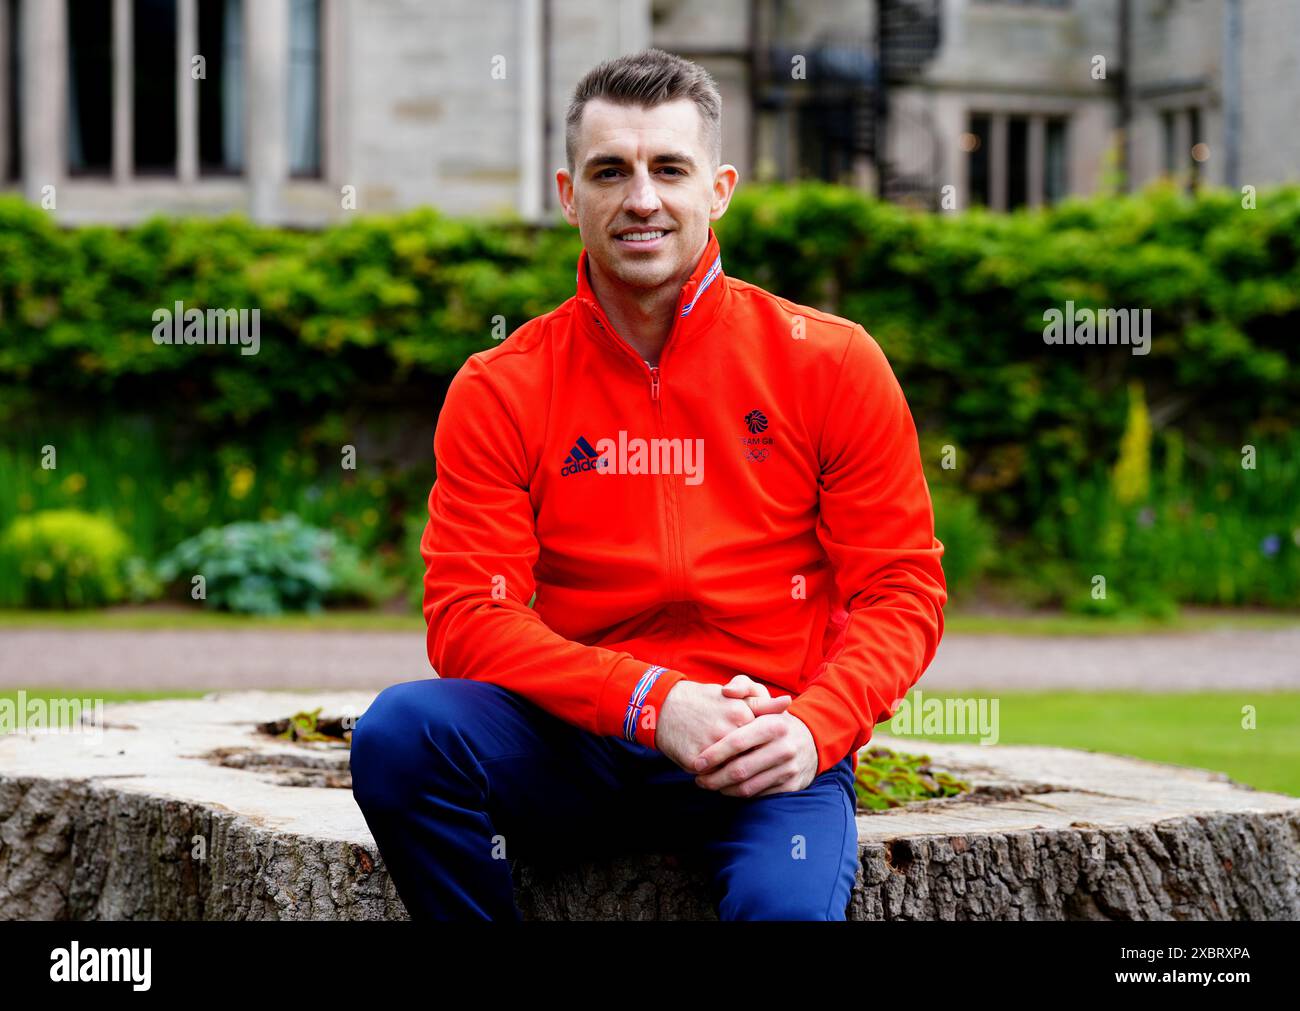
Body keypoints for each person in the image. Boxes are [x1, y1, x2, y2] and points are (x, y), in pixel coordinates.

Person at [350, 47, 947, 921]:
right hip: (572, 745)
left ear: (720, 188)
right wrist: (648, 701)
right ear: (568, 195)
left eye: (670, 168)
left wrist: (814, 728)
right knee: (402, 734)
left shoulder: (832, 362)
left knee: (785, 913)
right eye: (610, 171)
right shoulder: (501, 385)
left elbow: (901, 589)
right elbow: (468, 617)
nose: (641, 199)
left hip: (763, 748)